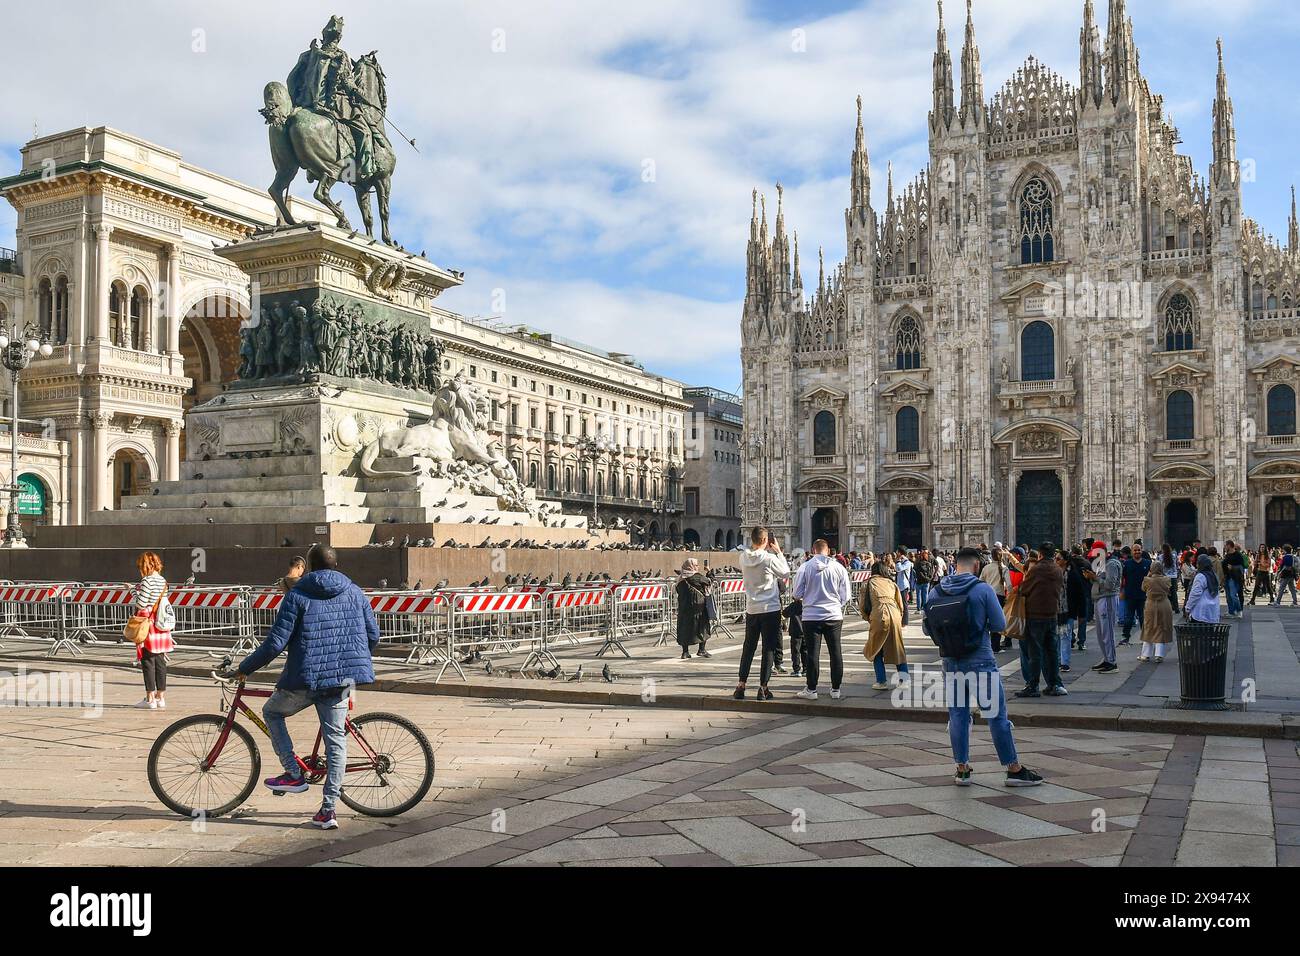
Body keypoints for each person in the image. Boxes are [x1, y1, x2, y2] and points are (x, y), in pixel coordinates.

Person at [235, 544, 380, 830]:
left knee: (273, 713)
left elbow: (276, 642)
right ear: (336, 566)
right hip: (341, 679)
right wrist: (352, 661)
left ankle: (293, 772)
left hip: (306, 678)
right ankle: (328, 811)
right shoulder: (354, 591)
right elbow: (373, 635)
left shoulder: (297, 595)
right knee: (336, 741)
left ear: (309, 568)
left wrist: (245, 667)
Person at [923, 548, 1043, 788]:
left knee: (957, 715)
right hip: (980, 660)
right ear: (977, 566)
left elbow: (928, 629)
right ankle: (1013, 769)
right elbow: (1000, 624)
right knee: (996, 715)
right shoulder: (982, 590)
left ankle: (962, 769)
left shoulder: (935, 592)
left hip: (951, 660)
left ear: (955, 565)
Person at [792, 539, 851, 701]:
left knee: (813, 653)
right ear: (828, 550)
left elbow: (796, 594)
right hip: (833, 616)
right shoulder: (839, 568)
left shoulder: (805, 567)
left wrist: (808, 598)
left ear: (813, 550)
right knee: (836, 652)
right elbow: (846, 595)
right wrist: (834, 605)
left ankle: (811, 690)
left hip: (811, 616)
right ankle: (836, 689)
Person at [735, 527, 789, 701]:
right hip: (770, 609)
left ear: (752, 539)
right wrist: (779, 552)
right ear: (766, 540)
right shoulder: (769, 558)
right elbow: (785, 572)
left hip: (752, 609)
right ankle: (763, 688)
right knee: (768, 649)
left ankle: (741, 685)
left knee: (748, 648)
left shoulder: (743, 557)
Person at [1017, 543, 1066, 697]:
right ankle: (1054, 684)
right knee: (1051, 651)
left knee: (1035, 652)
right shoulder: (1058, 569)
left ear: (1040, 555)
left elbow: (1024, 589)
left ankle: (1033, 685)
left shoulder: (1036, 570)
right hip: (1052, 615)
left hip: (1035, 616)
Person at [133, 551, 175, 710]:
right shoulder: (163, 580)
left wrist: (131, 591)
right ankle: (161, 697)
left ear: (145, 566)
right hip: (160, 623)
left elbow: (141, 603)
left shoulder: (147, 581)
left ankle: (150, 698)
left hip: (148, 623)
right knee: (160, 660)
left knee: (147, 660)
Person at [861, 560, 911, 691]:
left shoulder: (867, 583)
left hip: (879, 615)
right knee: (897, 647)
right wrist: (898, 618)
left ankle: (881, 681)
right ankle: (904, 680)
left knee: (876, 649)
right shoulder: (891, 583)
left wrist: (869, 618)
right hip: (894, 614)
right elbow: (900, 604)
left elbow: (862, 606)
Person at [1091, 541, 1123, 673]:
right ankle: (1106, 658)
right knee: (1101, 633)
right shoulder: (1102, 564)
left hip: (1108, 599)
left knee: (1108, 631)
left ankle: (1112, 662)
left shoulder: (1112, 564)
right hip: (1100, 598)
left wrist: (1095, 578)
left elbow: (1110, 584)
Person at [675, 558, 712, 660]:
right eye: (696, 565)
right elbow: (710, 582)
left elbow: (678, 591)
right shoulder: (698, 577)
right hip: (698, 608)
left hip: (684, 609)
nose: (698, 567)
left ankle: (685, 652)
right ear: (692, 566)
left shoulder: (680, 578)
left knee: (685, 629)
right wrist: (708, 571)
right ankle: (702, 650)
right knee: (703, 628)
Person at [1139, 560, 1174, 662]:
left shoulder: (1147, 580)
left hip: (1151, 605)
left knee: (1148, 628)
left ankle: (1145, 654)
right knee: (1161, 628)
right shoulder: (1167, 579)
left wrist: (1148, 574)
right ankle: (1159, 655)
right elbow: (1169, 590)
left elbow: (1143, 588)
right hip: (1164, 604)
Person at [1057, 550, 1085, 674]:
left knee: (1065, 636)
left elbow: (1080, 594)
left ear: (1065, 560)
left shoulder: (1073, 575)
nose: (1056, 560)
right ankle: (1058, 660)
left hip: (1067, 611)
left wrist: (1082, 614)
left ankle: (1065, 663)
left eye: (1058, 558)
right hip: (1055, 610)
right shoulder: (1054, 573)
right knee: (1056, 636)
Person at [980, 545, 1012, 650]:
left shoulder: (986, 568)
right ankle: (995, 646)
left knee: (986, 619)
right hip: (999, 596)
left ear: (992, 557)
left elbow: (980, 582)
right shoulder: (1004, 568)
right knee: (997, 620)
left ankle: (987, 644)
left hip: (987, 596)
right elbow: (1009, 585)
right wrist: (1009, 596)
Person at [1119, 544, 1151, 646]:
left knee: (1143, 617)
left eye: (1139, 550)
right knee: (1129, 617)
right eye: (1135, 550)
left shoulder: (1148, 563)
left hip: (1143, 595)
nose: (1137, 552)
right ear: (1132, 552)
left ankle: (1145, 637)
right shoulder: (1127, 564)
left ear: (1141, 551)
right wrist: (1121, 591)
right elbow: (1122, 579)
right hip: (1130, 594)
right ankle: (1125, 636)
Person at [1184, 553, 1222, 625]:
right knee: (1209, 635)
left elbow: (1195, 594)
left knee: (1199, 635)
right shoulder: (1214, 575)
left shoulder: (1201, 576)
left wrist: (1188, 608)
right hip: (1212, 612)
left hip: (1200, 612)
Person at [1221, 540, 1247, 618]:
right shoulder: (1227, 555)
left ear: (1229, 545)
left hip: (1234, 578)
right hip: (1227, 577)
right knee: (1228, 596)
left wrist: (1232, 568)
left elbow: (1241, 568)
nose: (1225, 547)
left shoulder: (1238, 555)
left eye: (1225, 545)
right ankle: (1231, 611)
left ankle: (1239, 610)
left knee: (1233, 595)